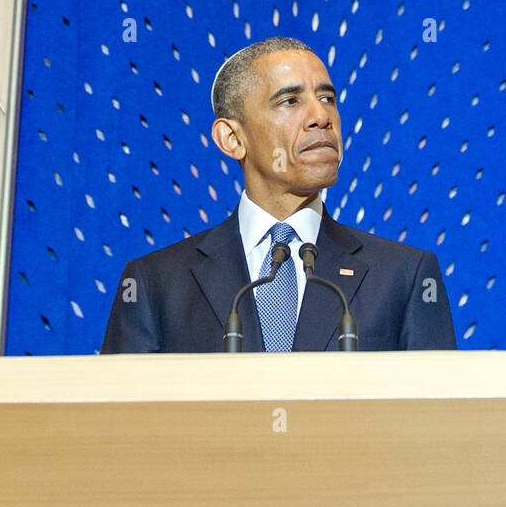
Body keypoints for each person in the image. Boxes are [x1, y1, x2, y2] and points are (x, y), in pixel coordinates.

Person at [100, 37, 457, 353]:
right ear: (232, 139)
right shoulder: (155, 283)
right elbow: (121, 423)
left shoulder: (405, 276)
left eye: (327, 98)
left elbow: (435, 421)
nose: (321, 116)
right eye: (290, 101)